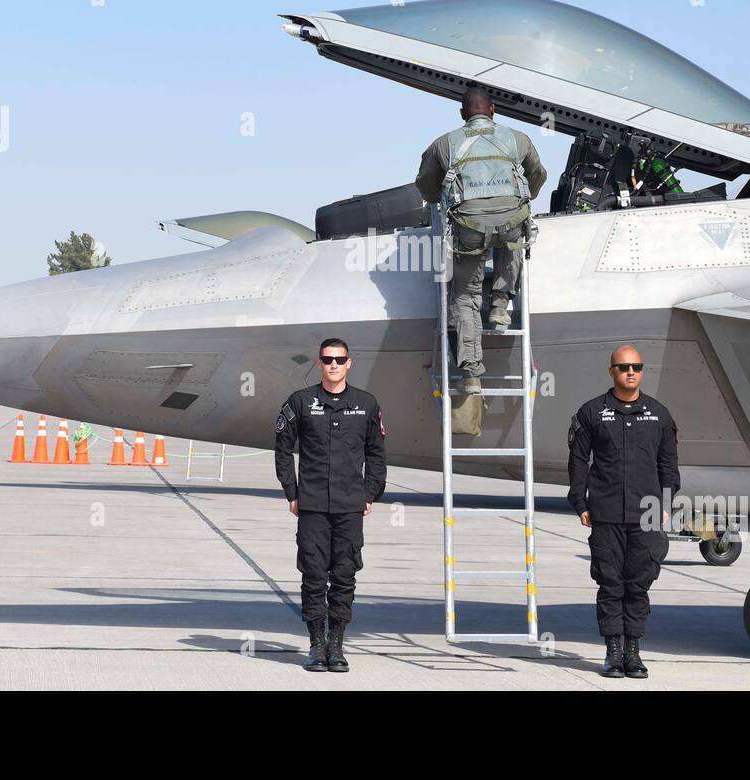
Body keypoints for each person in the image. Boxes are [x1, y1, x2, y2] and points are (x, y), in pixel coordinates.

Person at [415, 85, 547, 394]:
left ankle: (471, 372)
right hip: (511, 221)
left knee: (465, 296)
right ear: (492, 110)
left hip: (468, 226)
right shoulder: (518, 139)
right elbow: (537, 175)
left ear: (463, 114)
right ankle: (500, 305)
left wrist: (443, 201)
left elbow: (425, 185)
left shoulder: (444, 144)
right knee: (513, 238)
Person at [567, 345, 680, 678]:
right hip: (606, 513)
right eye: (623, 367)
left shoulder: (659, 415)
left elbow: (668, 464)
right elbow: (578, 460)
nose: (631, 372)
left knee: (638, 585)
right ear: (612, 371)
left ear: (642, 372)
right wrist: (580, 501)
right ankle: (613, 653)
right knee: (610, 584)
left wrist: (665, 501)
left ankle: (634, 652)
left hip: (646, 513)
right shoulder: (591, 412)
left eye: (636, 367)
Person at [274, 338, 386, 672]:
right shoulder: (301, 402)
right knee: (312, 575)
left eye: (339, 360)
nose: (333, 365)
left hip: (350, 506)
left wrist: (370, 493)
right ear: (319, 363)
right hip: (311, 506)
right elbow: (282, 448)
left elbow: (376, 453)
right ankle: (315, 645)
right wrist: (291, 492)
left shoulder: (366, 404)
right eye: (327, 360)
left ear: (349, 363)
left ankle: (336, 646)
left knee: (344, 575)